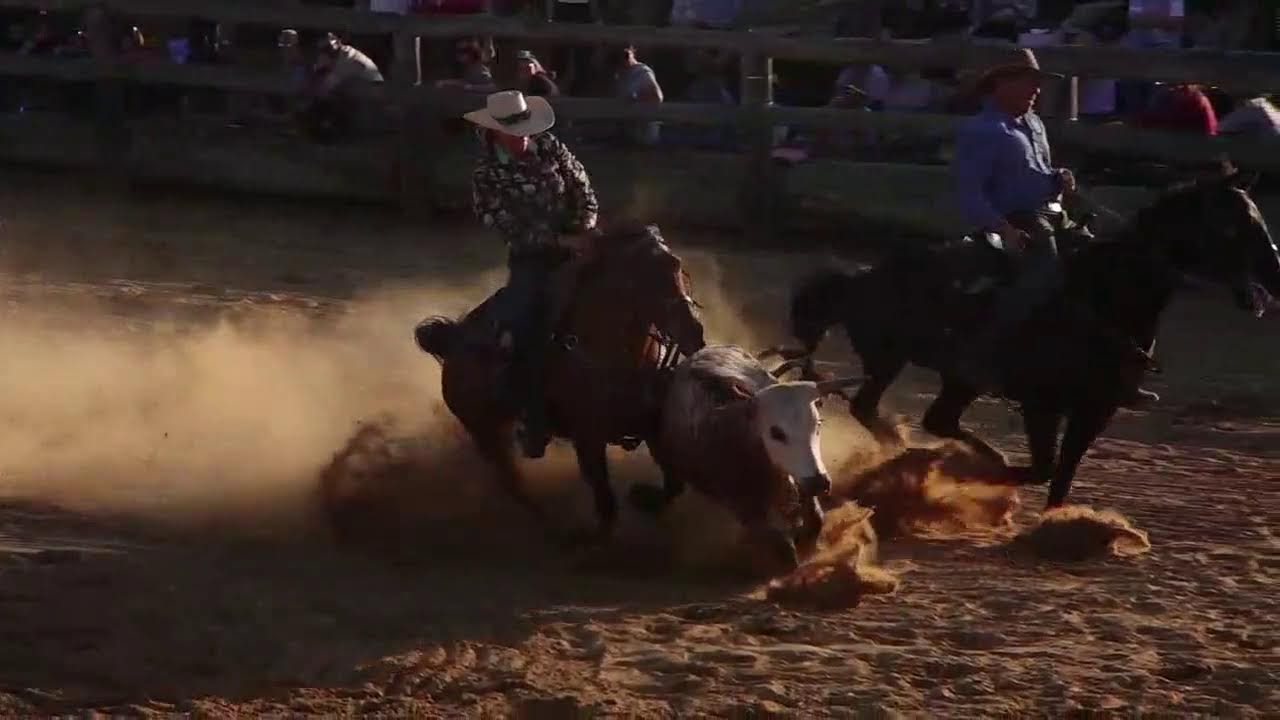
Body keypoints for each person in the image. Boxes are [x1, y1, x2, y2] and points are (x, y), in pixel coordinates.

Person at [951, 49, 1156, 398]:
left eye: (1037, 83)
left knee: (1108, 268)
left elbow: (1036, 171)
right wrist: (1004, 229)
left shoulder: (1033, 123)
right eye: (1027, 81)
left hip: (1053, 213)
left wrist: (1056, 177)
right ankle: (982, 356)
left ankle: (1113, 367)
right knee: (1041, 275)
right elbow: (970, 193)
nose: (1036, 89)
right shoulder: (982, 131)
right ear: (1000, 84)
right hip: (1019, 218)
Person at [465, 90, 599, 458]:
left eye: (524, 129)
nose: (522, 137)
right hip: (533, 259)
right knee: (526, 326)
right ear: (495, 132)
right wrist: (562, 241)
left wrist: (584, 226)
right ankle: (531, 413)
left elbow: (582, 187)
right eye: (513, 131)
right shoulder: (486, 175)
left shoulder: (550, 146)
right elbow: (507, 227)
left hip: (580, 240)